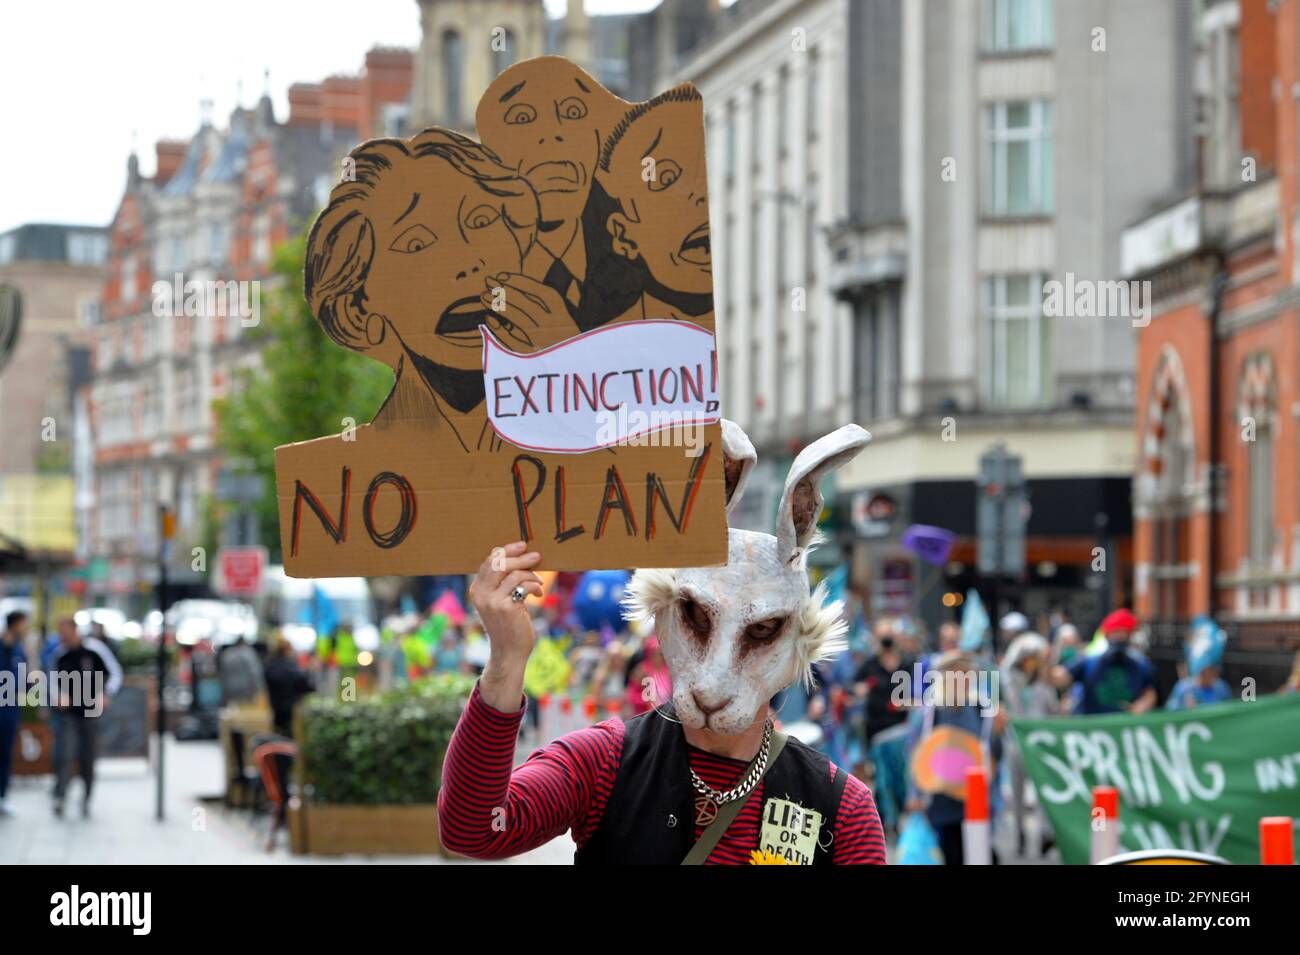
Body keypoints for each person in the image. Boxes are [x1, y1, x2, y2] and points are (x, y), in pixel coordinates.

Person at [437, 421, 886, 864]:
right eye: (695, 616)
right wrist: (507, 659)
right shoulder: (605, 763)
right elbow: (473, 829)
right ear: (664, 611)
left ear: (798, 641)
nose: (714, 680)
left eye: (762, 631)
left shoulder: (839, 808)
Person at [905, 649, 996, 865]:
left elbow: (990, 751)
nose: (963, 680)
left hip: (975, 800)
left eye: (967, 674)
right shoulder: (928, 713)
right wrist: (914, 794)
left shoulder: (980, 708)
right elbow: (913, 753)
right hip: (940, 802)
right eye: (956, 674)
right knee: (951, 855)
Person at [49, 617, 117, 818]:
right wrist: (57, 696)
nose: (62, 636)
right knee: (65, 756)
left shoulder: (95, 650)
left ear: (74, 630)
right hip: (68, 715)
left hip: (91, 714)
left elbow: (115, 673)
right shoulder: (60, 655)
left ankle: (87, 798)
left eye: (65, 631)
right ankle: (60, 797)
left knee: (88, 758)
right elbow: (51, 679)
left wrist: (106, 694)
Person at [998, 632, 1056, 855]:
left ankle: (1044, 835)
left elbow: (1053, 711)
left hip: (1040, 747)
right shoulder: (1011, 682)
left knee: (1043, 792)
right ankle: (1020, 834)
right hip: (1015, 744)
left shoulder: (1043, 685)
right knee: (1017, 793)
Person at [1052, 608, 1156, 715]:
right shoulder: (1090, 662)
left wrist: (1143, 705)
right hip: (1093, 726)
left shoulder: (1140, 664)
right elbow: (1060, 677)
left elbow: (1150, 691)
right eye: (1115, 632)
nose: (1119, 637)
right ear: (1106, 635)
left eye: (1123, 633)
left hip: (1124, 726)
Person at [1, 610, 30, 816]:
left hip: (10, 711)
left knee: (5, 754)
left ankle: (2, 796)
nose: (25, 628)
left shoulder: (20, 649)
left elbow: (23, 679)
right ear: (14, 624)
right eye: (23, 624)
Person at [263, 634, 314, 738]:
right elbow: (305, 686)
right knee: (290, 736)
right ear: (287, 650)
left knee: (278, 733)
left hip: (275, 707)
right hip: (291, 709)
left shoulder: (269, 665)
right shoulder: (290, 668)